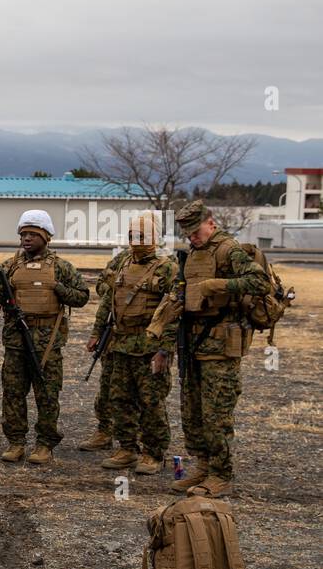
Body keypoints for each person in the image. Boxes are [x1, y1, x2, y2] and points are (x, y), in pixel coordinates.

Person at [149, 200, 270, 498]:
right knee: (193, 414)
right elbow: (179, 292)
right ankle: (202, 466)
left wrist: (218, 285)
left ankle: (220, 474)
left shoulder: (229, 249)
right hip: (193, 344)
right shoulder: (191, 255)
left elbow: (259, 282)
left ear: (211, 223)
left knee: (217, 416)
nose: (192, 236)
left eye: (195, 230)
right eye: (187, 232)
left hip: (220, 348)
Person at [0, 209, 88, 465]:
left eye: (33, 234)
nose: (27, 239)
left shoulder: (61, 267)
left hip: (47, 343)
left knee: (47, 395)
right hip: (16, 341)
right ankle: (16, 441)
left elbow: (82, 296)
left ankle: (44, 445)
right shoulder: (10, 265)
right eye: (24, 234)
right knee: (13, 393)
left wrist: (58, 289)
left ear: (46, 237)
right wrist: (8, 291)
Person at [89, 212, 176, 476]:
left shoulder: (166, 268)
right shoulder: (123, 263)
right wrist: (96, 332)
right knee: (120, 398)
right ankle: (126, 448)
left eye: (140, 235)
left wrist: (165, 350)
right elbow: (108, 301)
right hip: (120, 344)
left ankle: (153, 452)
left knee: (150, 401)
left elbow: (174, 311)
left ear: (153, 238)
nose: (134, 240)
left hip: (148, 345)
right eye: (130, 235)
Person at [79, 247, 129, 453]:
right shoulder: (123, 258)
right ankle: (104, 431)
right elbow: (102, 288)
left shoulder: (164, 262)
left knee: (141, 391)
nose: (138, 240)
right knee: (107, 385)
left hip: (143, 337)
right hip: (114, 333)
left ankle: (142, 441)